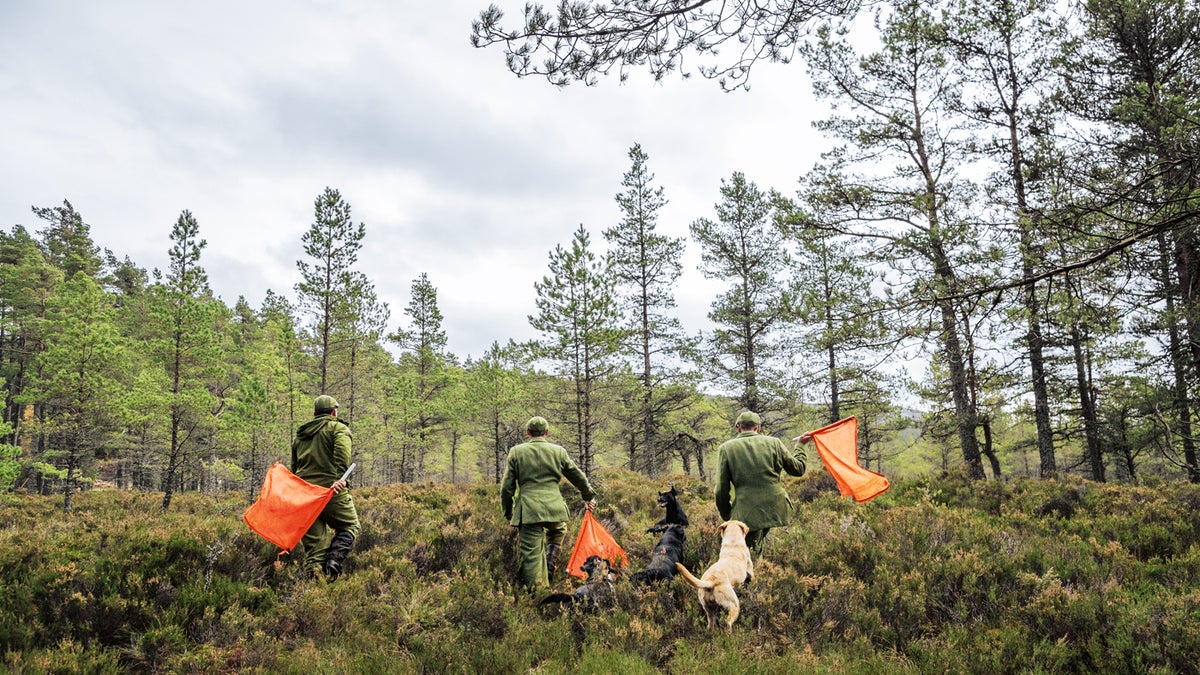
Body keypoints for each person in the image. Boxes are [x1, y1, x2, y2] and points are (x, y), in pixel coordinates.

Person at [500, 416, 597, 590]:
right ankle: (550, 562)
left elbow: (507, 488)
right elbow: (577, 476)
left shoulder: (516, 451)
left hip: (529, 511)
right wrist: (588, 496)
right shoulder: (558, 451)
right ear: (547, 432)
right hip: (555, 509)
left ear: (528, 432)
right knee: (558, 529)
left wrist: (508, 510)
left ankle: (539, 592)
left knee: (532, 555)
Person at [714, 410, 808, 557]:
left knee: (749, 553)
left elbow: (721, 490)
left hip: (746, 511)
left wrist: (728, 515)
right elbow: (798, 469)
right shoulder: (775, 443)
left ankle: (757, 574)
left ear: (739, 427)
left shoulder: (726, 448)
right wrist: (800, 446)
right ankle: (762, 570)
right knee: (755, 545)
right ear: (758, 427)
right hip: (774, 506)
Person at [292, 394, 360, 579]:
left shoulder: (301, 436)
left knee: (315, 548)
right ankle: (334, 561)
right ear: (334, 412)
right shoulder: (338, 428)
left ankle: (313, 589)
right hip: (332, 491)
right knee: (350, 525)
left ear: (314, 413)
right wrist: (341, 478)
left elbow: (294, 468)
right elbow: (343, 454)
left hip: (305, 495)